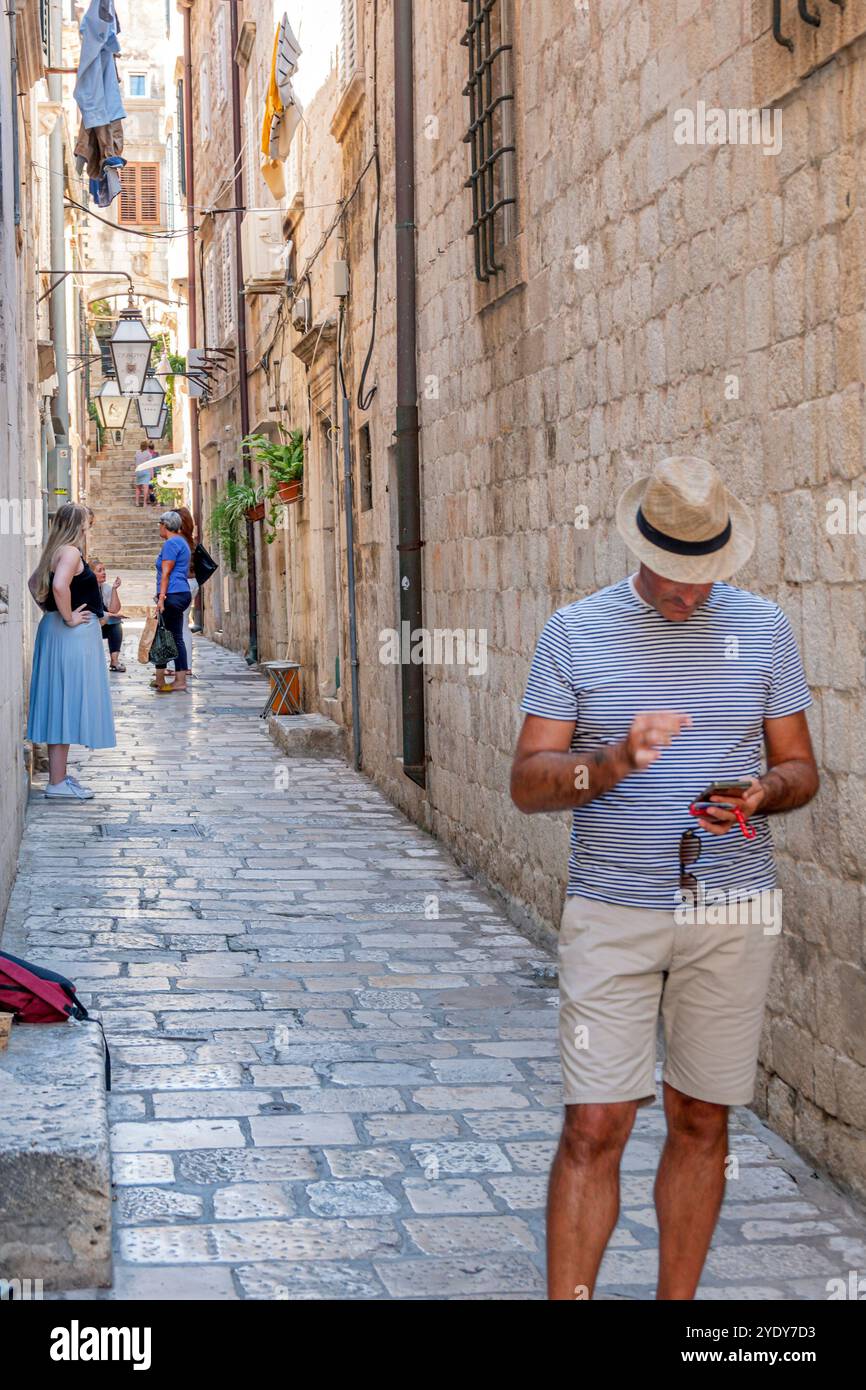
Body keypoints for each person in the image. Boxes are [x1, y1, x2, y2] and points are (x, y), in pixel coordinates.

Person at [510, 456, 819, 1301]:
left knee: (701, 1117)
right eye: (677, 579)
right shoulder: (575, 631)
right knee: (595, 1124)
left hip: (733, 906)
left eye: (706, 578)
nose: (692, 595)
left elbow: (800, 770)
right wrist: (611, 762)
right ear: (639, 550)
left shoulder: (764, 629)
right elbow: (529, 781)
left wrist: (760, 792)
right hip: (611, 909)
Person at [27, 502, 116, 799]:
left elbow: (33, 583)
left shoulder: (55, 551)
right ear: (78, 525)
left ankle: (58, 778)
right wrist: (68, 617)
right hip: (69, 635)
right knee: (65, 701)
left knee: (60, 702)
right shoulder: (70, 551)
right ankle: (57, 782)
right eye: (86, 523)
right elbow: (60, 586)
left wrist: (53, 613)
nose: (87, 529)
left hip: (57, 632)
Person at [153, 510, 192, 693]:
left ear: (166, 525)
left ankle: (179, 680)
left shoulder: (170, 543)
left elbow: (166, 572)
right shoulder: (181, 542)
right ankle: (166, 678)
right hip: (180, 592)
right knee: (173, 636)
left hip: (173, 593)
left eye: (160, 524)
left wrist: (161, 598)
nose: (159, 528)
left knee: (171, 637)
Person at [92, 559, 126, 672]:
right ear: (92, 574)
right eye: (100, 570)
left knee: (116, 623)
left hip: (102, 623)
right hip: (89, 625)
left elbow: (114, 609)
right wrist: (110, 614)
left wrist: (114, 589)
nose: (104, 572)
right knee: (113, 618)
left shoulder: (104, 587)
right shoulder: (87, 589)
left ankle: (114, 661)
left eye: (104, 569)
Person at [133, 440, 151, 508]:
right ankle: (144, 503)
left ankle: (137, 502)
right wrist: (151, 474)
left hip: (138, 471)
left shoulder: (137, 452)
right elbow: (150, 465)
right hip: (145, 471)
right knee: (145, 488)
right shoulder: (148, 454)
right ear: (147, 446)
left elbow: (135, 461)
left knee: (138, 488)